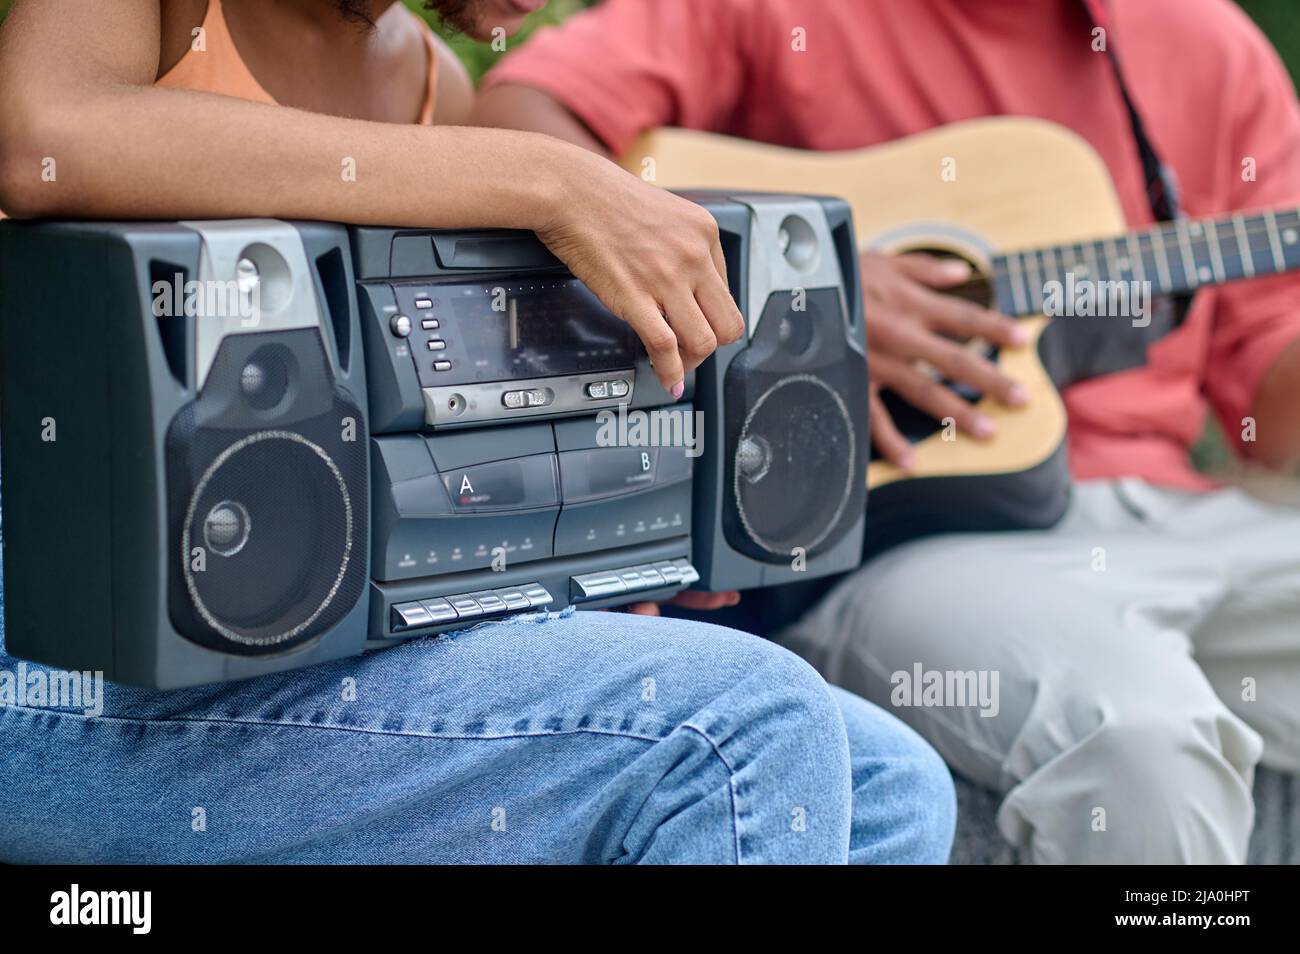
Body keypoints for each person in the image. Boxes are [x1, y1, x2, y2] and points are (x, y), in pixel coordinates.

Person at [0, 0, 956, 864]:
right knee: (744, 725)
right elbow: (44, 133)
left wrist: (585, 554)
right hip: (64, 663)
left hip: (304, 633)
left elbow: (389, 425)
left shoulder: (426, 78)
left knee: (892, 788)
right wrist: (543, 174)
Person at [473, 0, 1300, 863]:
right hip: (910, 535)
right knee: (1138, 740)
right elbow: (518, 119)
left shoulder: (1209, 43)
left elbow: (1269, 420)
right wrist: (804, 284)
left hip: (1183, 520)